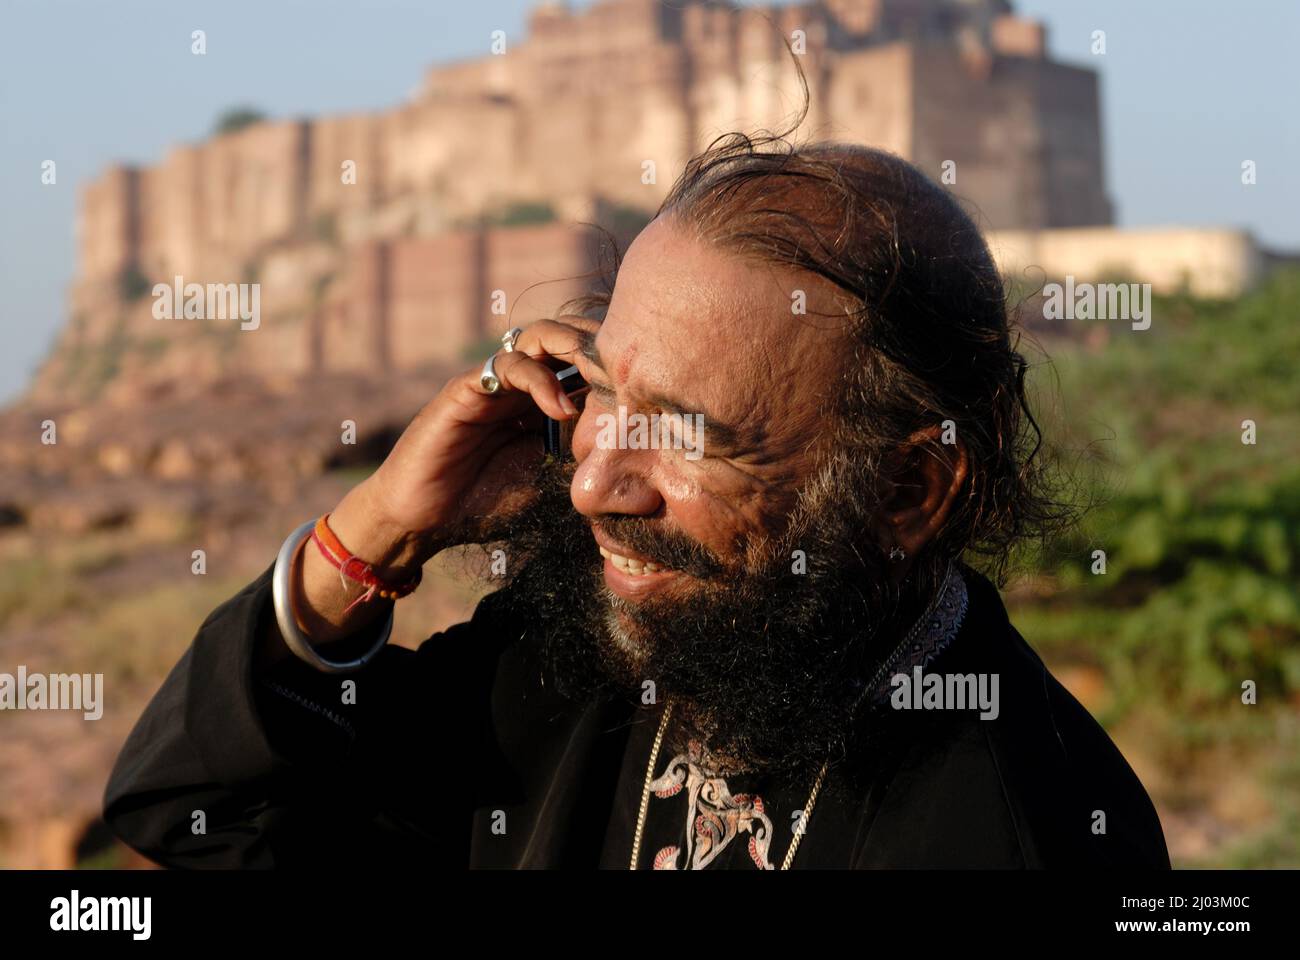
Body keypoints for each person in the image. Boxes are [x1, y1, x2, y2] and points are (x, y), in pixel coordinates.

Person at [103, 132, 1170, 870]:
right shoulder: (576, 660)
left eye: (683, 434)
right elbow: (198, 814)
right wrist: (378, 532)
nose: (591, 483)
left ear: (905, 492)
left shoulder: (1022, 830)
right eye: (602, 388)